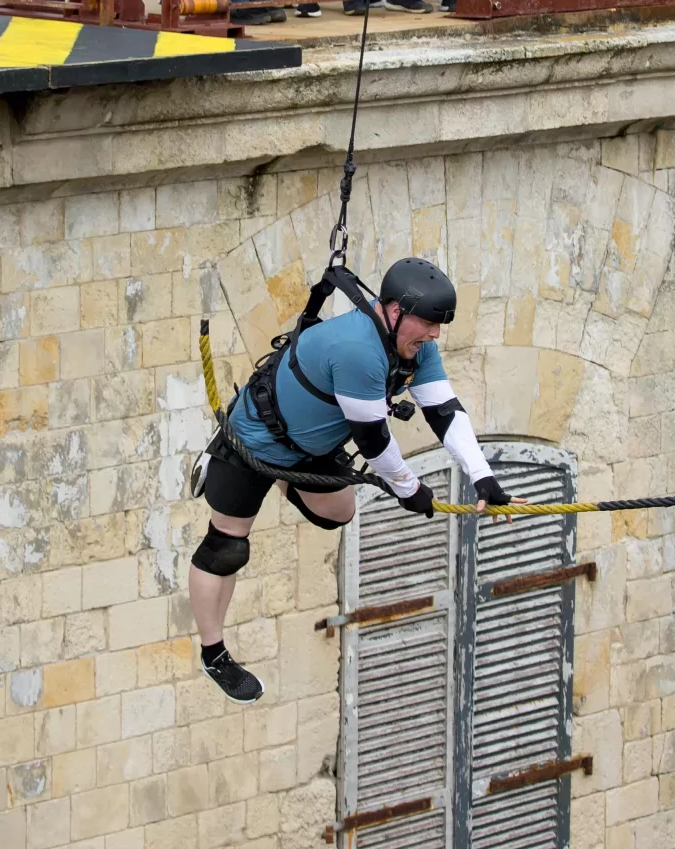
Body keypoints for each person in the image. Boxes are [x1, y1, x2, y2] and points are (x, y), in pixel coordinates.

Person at [191, 257, 518, 704]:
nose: (435, 335)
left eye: (440, 326)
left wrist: (483, 477)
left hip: (310, 448)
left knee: (338, 512)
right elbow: (372, 440)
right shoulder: (359, 351)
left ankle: (282, 481)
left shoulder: (414, 348)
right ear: (394, 311)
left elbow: (444, 412)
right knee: (227, 547)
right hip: (254, 440)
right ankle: (214, 654)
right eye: (429, 323)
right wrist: (410, 490)